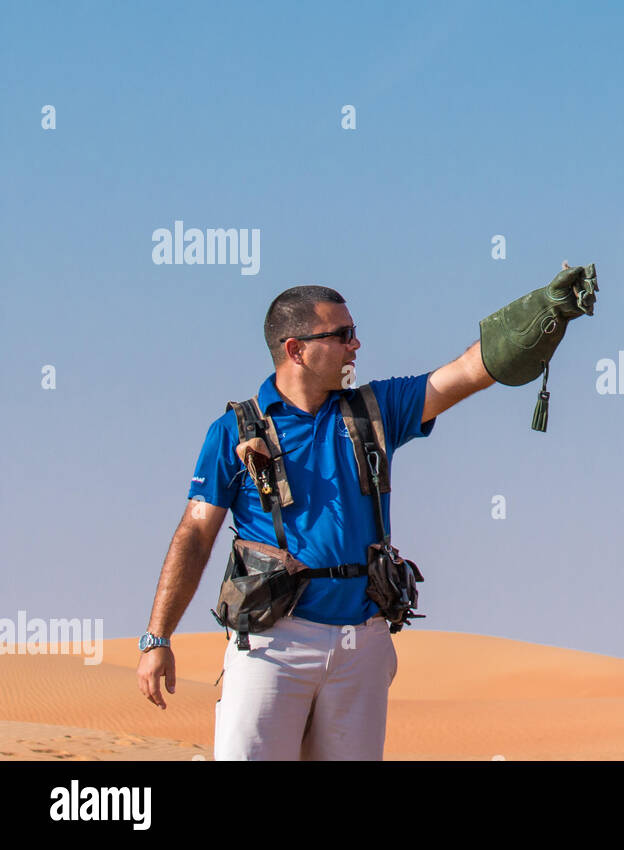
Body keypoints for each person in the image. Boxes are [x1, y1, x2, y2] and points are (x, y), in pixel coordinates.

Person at [135, 265, 597, 759]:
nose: (357, 346)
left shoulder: (374, 410)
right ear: (296, 349)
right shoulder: (233, 430)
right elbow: (196, 533)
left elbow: (466, 372)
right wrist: (157, 636)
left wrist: (545, 311)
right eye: (343, 335)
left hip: (363, 643)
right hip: (272, 644)